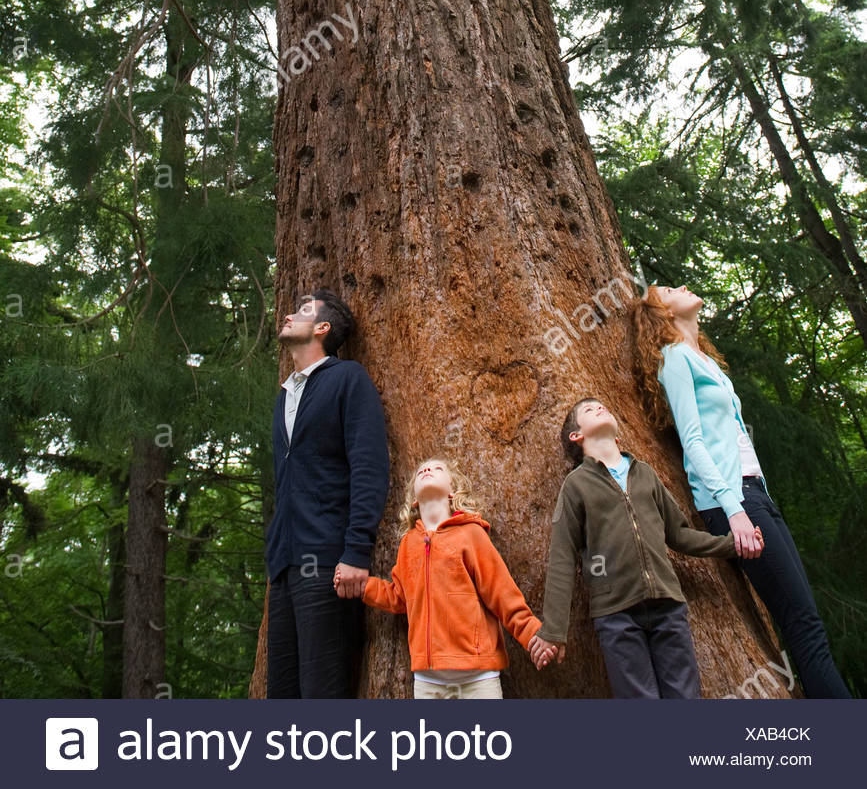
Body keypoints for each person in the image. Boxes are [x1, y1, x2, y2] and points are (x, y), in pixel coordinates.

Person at [629, 283, 851, 699]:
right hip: (733, 501)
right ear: (663, 312)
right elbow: (692, 442)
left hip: (755, 495)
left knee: (805, 622)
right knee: (803, 625)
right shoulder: (675, 359)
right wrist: (734, 509)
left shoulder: (705, 360)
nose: (681, 286)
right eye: (669, 290)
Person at [532, 397, 751, 697]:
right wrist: (554, 630)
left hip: (668, 606)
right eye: (588, 410)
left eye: (603, 406)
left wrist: (731, 545)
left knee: (686, 697)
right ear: (576, 435)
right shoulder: (576, 485)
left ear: (618, 435)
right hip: (616, 614)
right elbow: (562, 558)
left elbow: (680, 534)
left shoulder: (645, 473)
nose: (599, 408)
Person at [266, 289, 389, 698]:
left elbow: (369, 466)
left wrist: (356, 551)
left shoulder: (348, 378)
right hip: (283, 569)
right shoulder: (285, 395)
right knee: (282, 696)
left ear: (323, 327)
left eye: (301, 310)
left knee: (323, 698)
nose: (287, 314)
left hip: (329, 566)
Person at [361, 455, 548, 698]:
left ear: (452, 491)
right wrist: (362, 587)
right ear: (414, 501)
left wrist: (533, 634)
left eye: (437, 468)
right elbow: (399, 596)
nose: (427, 469)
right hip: (428, 681)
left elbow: (502, 593)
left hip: (478, 678)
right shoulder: (409, 544)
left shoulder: (471, 534)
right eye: (421, 471)